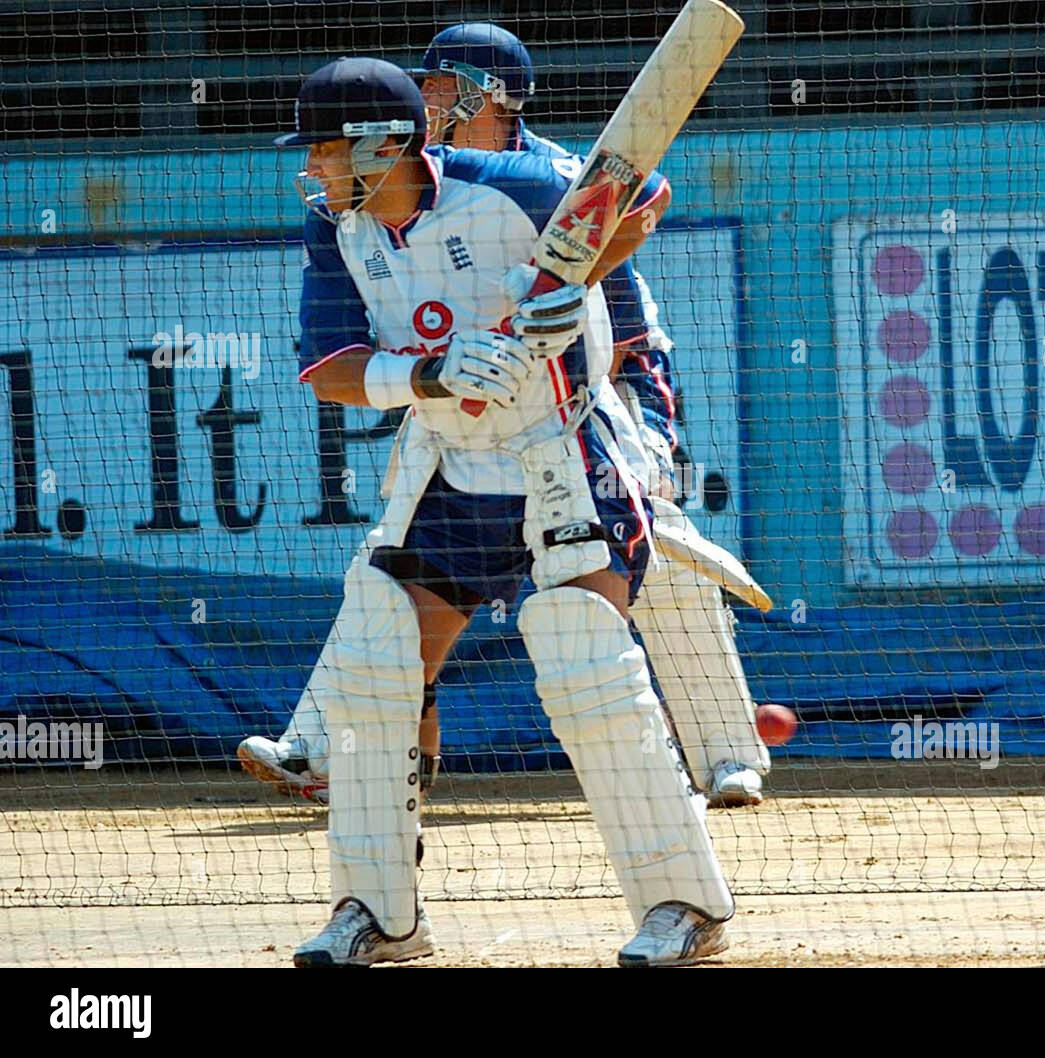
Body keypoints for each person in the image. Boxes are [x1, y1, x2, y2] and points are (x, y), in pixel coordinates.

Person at [273, 56, 733, 968]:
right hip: (447, 464)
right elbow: (331, 370)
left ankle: (684, 907)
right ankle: (379, 915)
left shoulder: (511, 183)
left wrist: (570, 278)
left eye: (326, 151)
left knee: (577, 651)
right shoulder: (338, 229)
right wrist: (430, 373)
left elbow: (641, 190)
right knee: (374, 665)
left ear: (382, 143)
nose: (315, 172)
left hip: (563, 449)